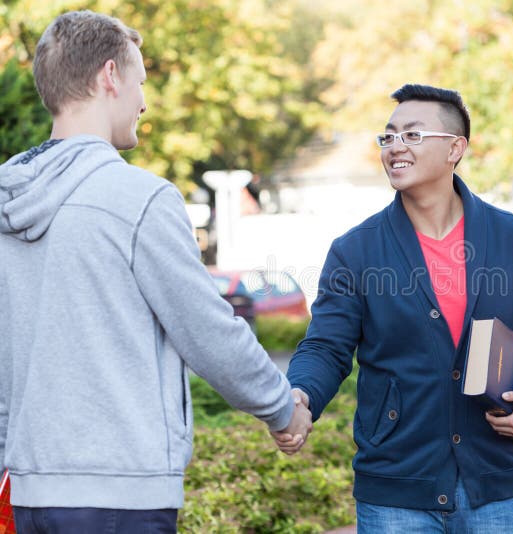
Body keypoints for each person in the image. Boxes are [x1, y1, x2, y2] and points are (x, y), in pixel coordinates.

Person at [0, 10, 311, 533]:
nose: (143, 102)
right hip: (120, 494)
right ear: (110, 76)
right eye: (140, 82)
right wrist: (283, 408)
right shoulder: (139, 199)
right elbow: (207, 330)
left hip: (29, 494)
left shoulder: (9, 203)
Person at [279, 84, 513, 532]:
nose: (395, 147)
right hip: (395, 493)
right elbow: (326, 347)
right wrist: (301, 395)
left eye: (413, 135)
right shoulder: (356, 251)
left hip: (494, 489)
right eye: (388, 136)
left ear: (455, 149)